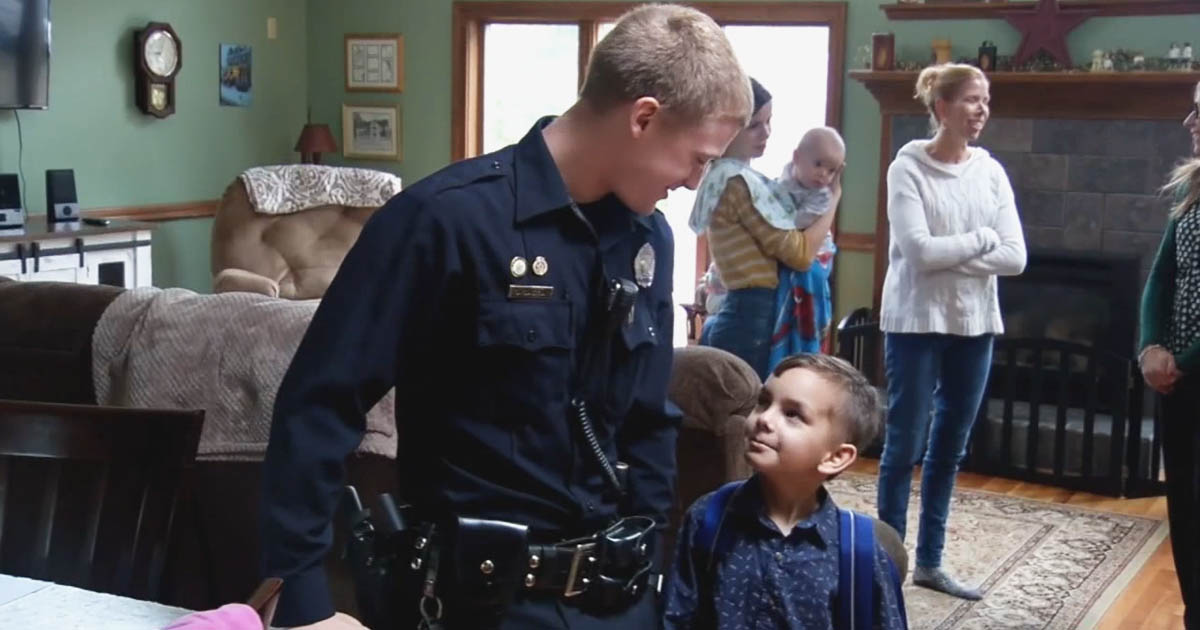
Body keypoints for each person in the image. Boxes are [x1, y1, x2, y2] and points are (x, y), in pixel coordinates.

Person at [258, 5, 752, 629]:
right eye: (699, 158)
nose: (693, 181)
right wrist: (301, 602)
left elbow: (649, 420)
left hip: (617, 599)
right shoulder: (442, 222)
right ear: (644, 118)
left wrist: (654, 570)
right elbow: (317, 404)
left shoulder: (648, 238)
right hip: (476, 601)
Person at [876, 63, 1026, 601]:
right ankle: (885, 563)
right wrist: (981, 240)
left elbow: (1016, 258)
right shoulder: (906, 168)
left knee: (949, 449)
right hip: (915, 322)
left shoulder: (990, 171)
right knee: (903, 445)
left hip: (975, 323)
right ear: (941, 108)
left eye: (986, 99)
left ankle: (931, 563)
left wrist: (955, 254)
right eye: (970, 99)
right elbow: (917, 252)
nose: (982, 109)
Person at [661, 354, 906, 630]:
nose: (764, 418)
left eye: (792, 414)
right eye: (764, 401)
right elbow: (677, 617)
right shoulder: (707, 518)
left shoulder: (861, 553)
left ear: (835, 457)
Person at [690, 79, 839, 380]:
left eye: (769, 122)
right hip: (753, 309)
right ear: (726, 128)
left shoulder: (737, 176)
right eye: (754, 125)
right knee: (751, 408)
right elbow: (798, 254)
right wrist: (833, 200)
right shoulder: (736, 182)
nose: (766, 132)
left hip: (750, 306)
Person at [1139, 79, 1200, 630]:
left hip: (1189, 372)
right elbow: (1162, 277)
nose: (1188, 122)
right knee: (1184, 504)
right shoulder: (1192, 190)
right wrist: (1151, 346)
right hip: (1175, 379)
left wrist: (1183, 358)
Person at [768, 127, 846, 365]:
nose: (824, 175)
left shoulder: (822, 196)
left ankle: (807, 340)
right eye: (819, 164)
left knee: (809, 272)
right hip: (793, 243)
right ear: (796, 158)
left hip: (817, 250)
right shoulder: (782, 181)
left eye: (832, 170)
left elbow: (798, 222)